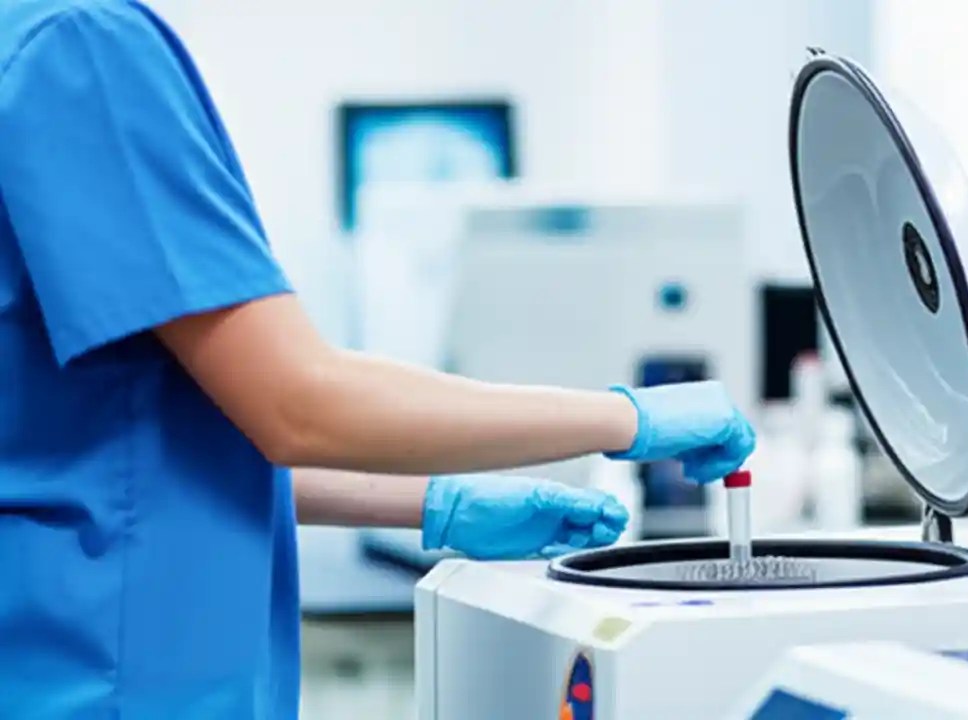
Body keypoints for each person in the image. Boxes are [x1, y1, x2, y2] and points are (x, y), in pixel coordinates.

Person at [0, 0, 757, 717]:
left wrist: (430, 504)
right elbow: (300, 404)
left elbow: (96, 448)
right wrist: (625, 416)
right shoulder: (80, 44)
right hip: (117, 676)